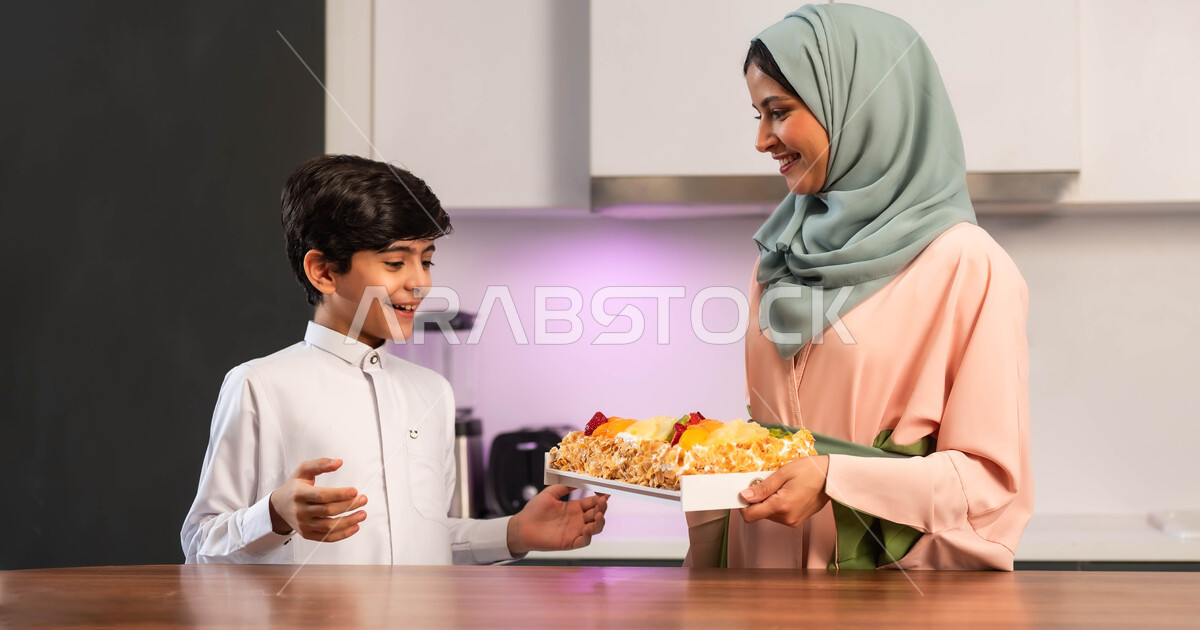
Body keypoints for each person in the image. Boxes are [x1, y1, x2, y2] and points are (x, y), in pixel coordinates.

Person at [685, 4, 1031, 570]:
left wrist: (836, 478)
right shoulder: (777, 256)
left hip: (883, 599)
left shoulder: (968, 264)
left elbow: (988, 481)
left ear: (858, 106)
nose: (763, 140)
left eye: (779, 111)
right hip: (758, 591)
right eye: (757, 116)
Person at [181, 154, 607, 564]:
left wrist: (512, 532)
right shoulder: (260, 385)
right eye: (395, 262)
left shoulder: (432, 392)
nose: (420, 282)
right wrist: (273, 514)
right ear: (324, 272)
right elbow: (200, 544)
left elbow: (425, 541)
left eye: (426, 261)